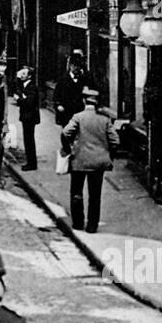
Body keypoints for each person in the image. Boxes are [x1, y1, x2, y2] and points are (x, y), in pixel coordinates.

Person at [61, 87, 120, 233]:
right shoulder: (105, 119)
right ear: (96, 103)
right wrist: (109, 155)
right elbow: (115, 141)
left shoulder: (78, 117)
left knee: (76, 192)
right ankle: (92, 226)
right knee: (95, 195)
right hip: (98, 162)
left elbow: (65, 133)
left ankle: (78, 223)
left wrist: (68, 150)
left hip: (79, 160)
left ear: (83, 101)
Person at [52, 48, 95, 129]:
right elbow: (56, 95)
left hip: (79, 111)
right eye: (74, 66)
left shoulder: (83, 79)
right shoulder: (62, 79)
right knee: (67, 132)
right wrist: (58, 105)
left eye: (78, 66)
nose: (76, 68)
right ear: (70, 66)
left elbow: (89, 92)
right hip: (66, 112)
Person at [15, 66, 40, 170]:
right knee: (27, 140)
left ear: (29, 76)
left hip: (30, 117)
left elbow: (29, 102)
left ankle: (32, 164)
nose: (21, 76)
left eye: (24, 74)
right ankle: (30, 162)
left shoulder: (32, 87)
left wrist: (19, 100)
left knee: (29, 140)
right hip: (26, 116)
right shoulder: (24, 85)